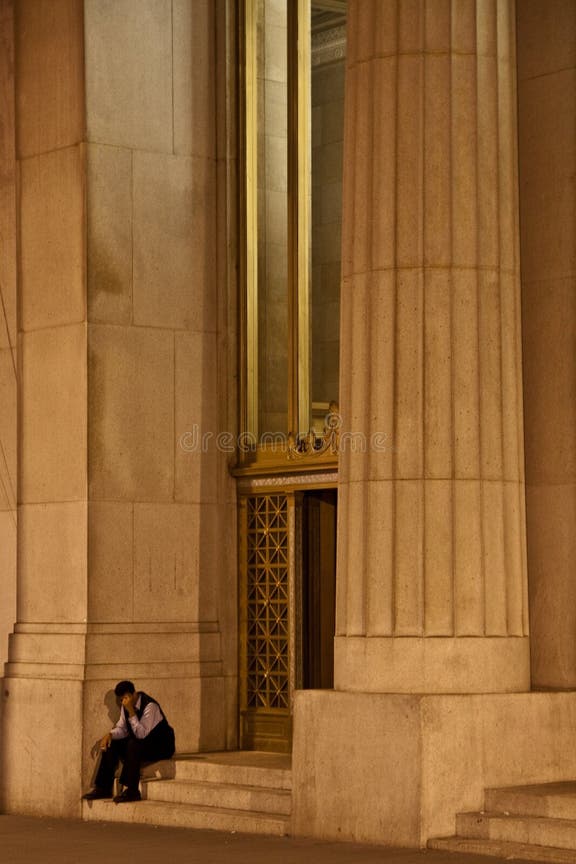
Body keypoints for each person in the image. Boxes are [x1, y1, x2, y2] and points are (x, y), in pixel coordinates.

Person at [82, 680, 176, 804]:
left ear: (134, 694)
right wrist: (109, 735)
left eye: (125, 698)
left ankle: (132, 790)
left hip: (161, 745)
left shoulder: (150, 706)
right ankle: (103, 787)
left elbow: (141, 734)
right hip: (143, 743)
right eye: (121, 699)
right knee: (113, 743)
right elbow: (122, 729)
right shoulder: (125, 705)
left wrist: (131, 711)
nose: (123, 702)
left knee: (133, 744)